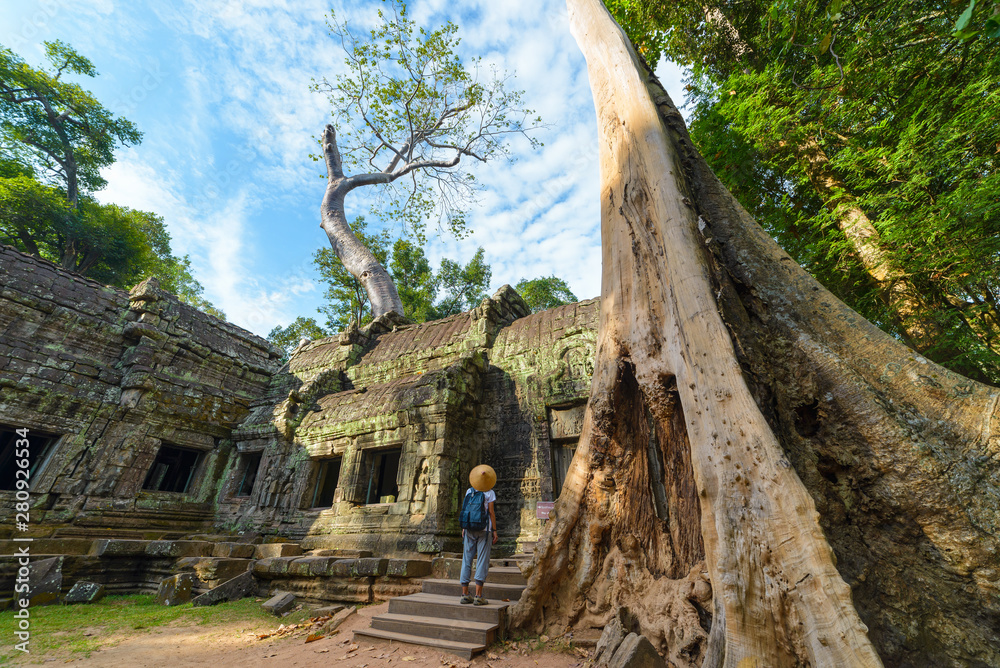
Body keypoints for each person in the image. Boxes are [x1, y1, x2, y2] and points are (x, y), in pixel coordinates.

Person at [459, 464, 497, 606]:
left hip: (469, 528)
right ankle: (478, 596)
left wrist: (464, 527)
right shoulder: (490, 493)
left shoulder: (469, 491)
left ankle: (464, 594)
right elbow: (491, 513)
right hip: (484, 530)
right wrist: (494, 530)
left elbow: (466, 510)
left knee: (466, 560)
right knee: (482, 560)